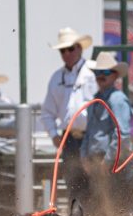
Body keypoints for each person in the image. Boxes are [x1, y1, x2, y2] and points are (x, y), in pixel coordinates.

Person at [80, 53, 133, 216]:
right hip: (98, 162)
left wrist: (109, 160)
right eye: (97, 73)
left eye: (104, 73)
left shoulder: (117, 99)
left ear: (114, 76)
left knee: (115, 207)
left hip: (110, 163)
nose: (100, 76)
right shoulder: (98, 99)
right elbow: (90, 131)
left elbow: (123, 134)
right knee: (101, 207)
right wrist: (84, 156)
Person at [39, 27, 97, 200]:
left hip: (92, 137)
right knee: (74, 183)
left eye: (70, 48)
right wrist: (53, 134)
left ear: (79, 48)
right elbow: (47, 112)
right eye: (63, 50)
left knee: (96, 184)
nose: (67, 53)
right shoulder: (57, 78)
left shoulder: (94, 72)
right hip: (69, 139)